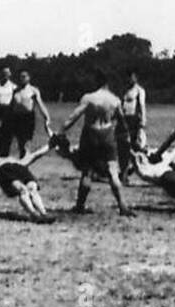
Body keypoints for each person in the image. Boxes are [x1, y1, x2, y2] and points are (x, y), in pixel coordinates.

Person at [58, 69, 135, 217]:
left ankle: (80, 205)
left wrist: (61, 130)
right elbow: (123, 122)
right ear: (108, 82)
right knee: (113, 171)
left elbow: (73, 116)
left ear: (96, 81)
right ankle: (122, 205)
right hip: (107, 134)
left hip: (90, 135)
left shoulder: (89, 98)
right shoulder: (115, 100)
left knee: (87, 171)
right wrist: (127, 138)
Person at [6, 70, 52, 156]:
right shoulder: (15, 91)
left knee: (26, 143)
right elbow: (11, 105)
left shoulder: (33, 90)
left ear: (29, 78)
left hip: (28, 118)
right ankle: (21, 160)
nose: (22, 78)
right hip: (16, 118)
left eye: (24, 76)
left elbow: (40, 104)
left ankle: (26, 159)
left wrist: (46, 116)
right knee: (20, 142)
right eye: (21, 77)